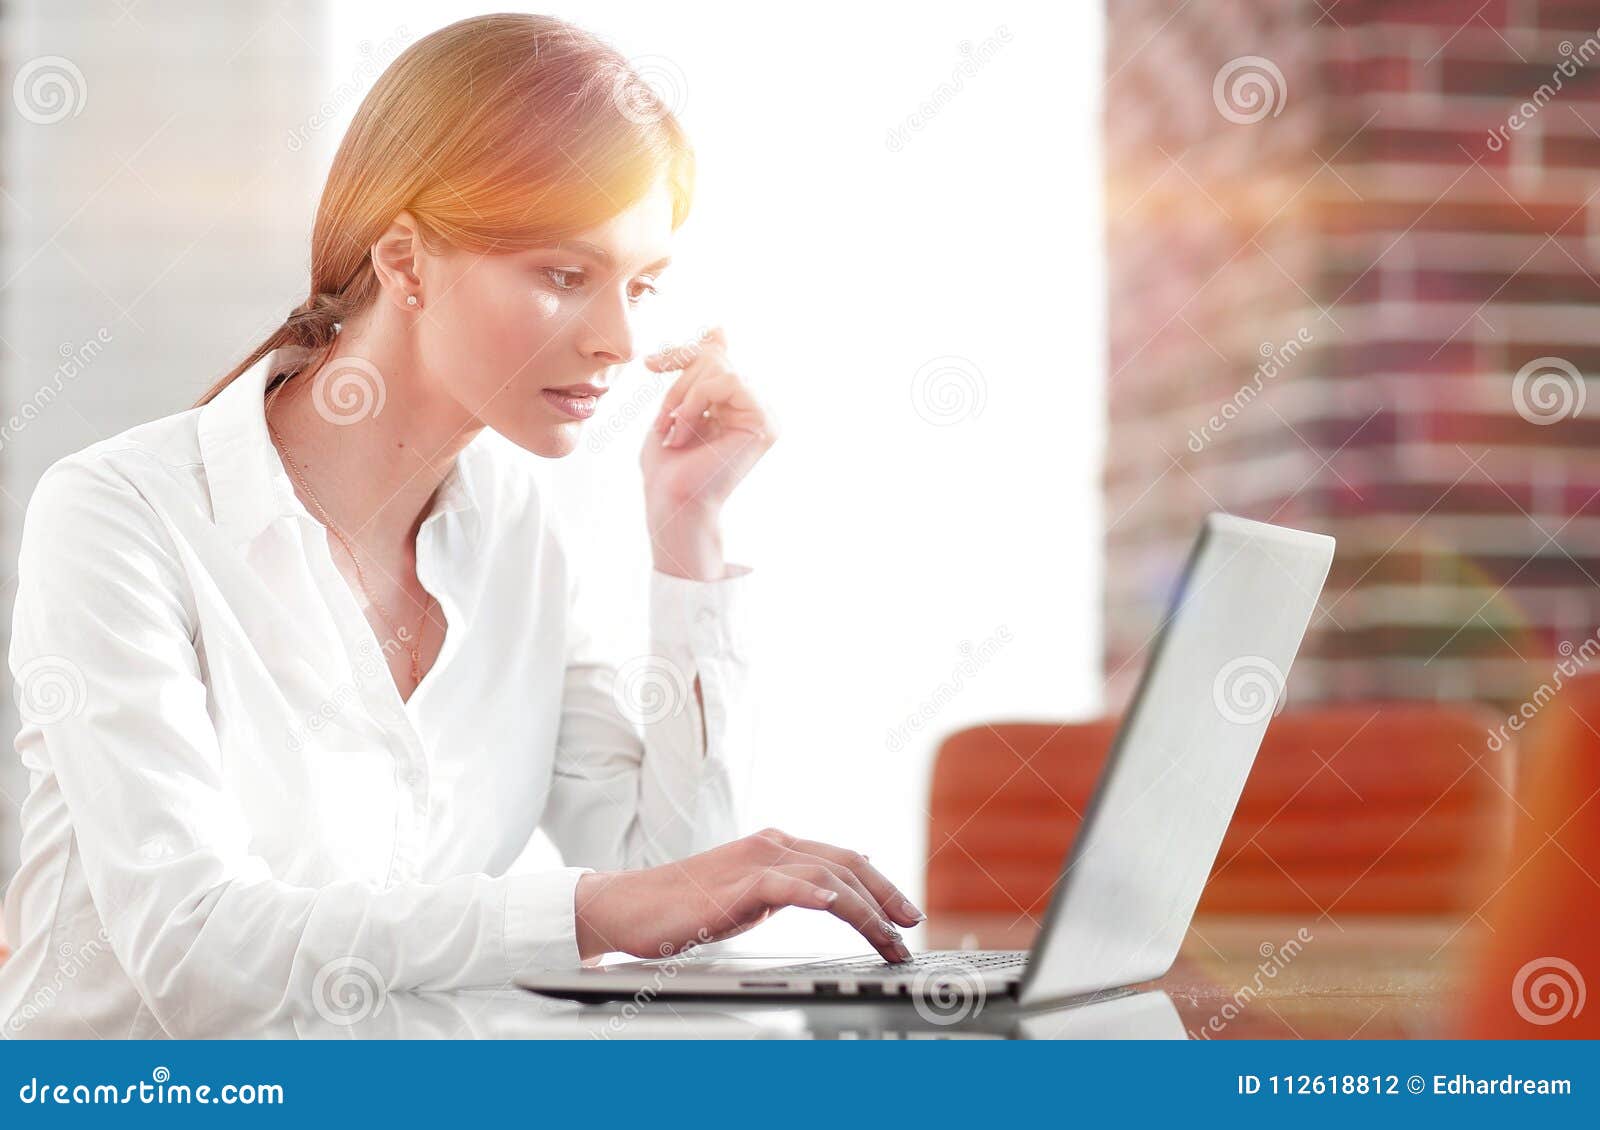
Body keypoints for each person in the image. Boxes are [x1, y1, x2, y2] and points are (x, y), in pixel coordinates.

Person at [0, 13, 920, 1039]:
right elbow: (197, 954)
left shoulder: (525, 535)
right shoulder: (119, 517)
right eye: (565, 276)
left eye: (643, 285)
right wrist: (585, 912)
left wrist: (687, 528)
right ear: (404, 262)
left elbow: (682, 909)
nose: (619, 339)